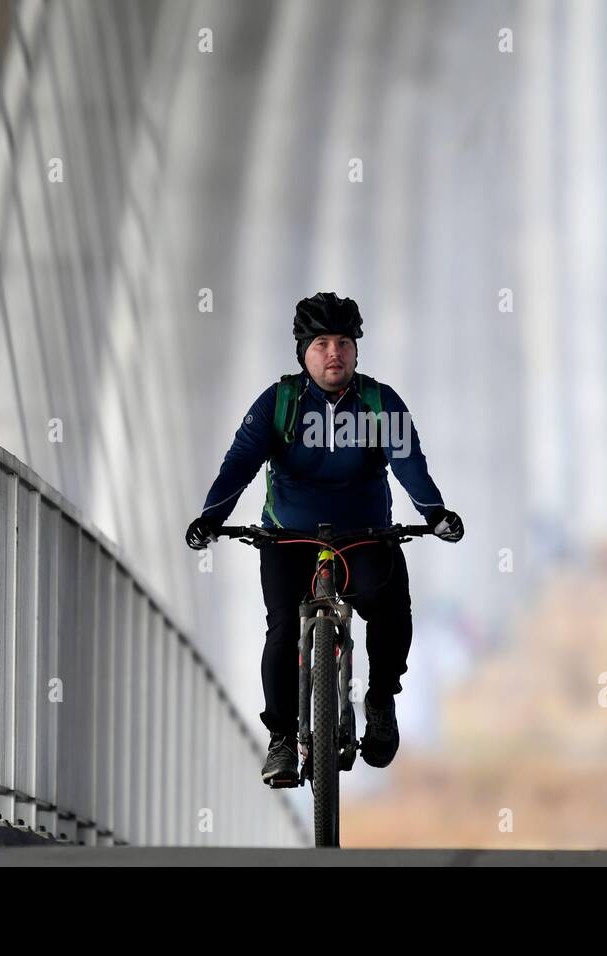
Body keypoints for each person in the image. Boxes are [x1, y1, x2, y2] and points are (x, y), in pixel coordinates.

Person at [185, 291, 463, 785]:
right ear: (302, 352)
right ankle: (282, 742)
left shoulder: (380, 402)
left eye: (343, 342)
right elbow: (238, 467)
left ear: (356, 350)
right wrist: (211, 517)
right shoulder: (279, 403)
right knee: (281, 631)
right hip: (288, 538)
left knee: (392, 605)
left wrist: (435, 514)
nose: (333, 352)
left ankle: (380, 700)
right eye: (321, 344)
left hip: (364, 536)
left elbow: (410, 466)